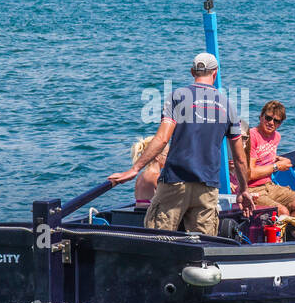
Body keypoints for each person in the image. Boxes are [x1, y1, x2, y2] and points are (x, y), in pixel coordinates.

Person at [108, 53, 253, 235]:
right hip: (207, 186)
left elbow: (161, 139)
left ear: (193, 72)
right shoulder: (228, 105)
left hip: (175, 182)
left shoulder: (177, 96)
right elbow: (239, 158)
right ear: (215, 73)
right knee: (204, 245)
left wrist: (135, 169)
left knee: (158, 239)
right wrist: (244, 190)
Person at [242, 101, 295, 219]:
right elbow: (250, 174)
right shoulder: (251, 136)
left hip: (270, 185)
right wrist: (277, 167)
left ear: (280, 124)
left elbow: (263, 156)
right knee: (282, 212)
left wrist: (278, 160)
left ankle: (291, 236)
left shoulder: (276, 136)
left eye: (276, 121)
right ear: (261, 117)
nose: (271, 123)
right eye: (268, 118)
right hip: (251, 188)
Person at [129, 134, 168, 206]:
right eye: (167, 155)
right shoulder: (157, 177)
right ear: (157, 156)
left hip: (138, 211)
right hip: (149, 213)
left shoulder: (141, 176)